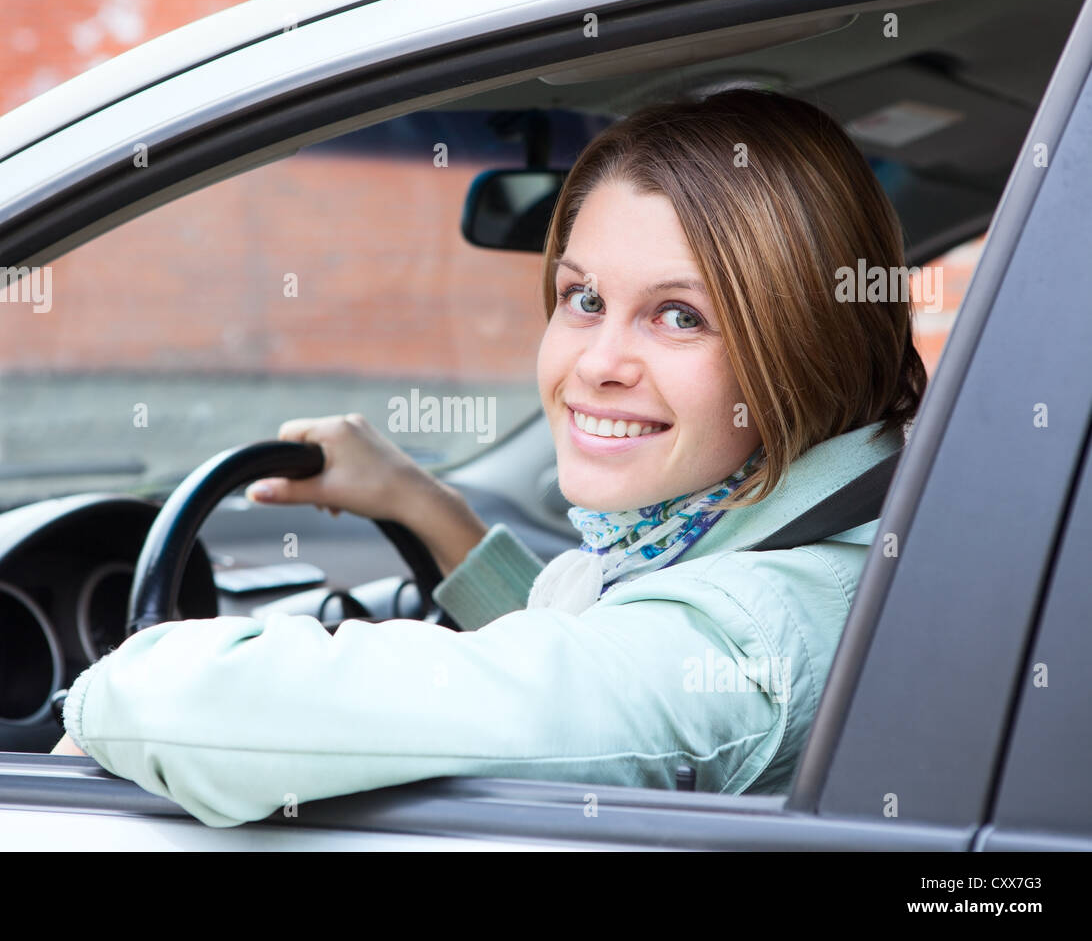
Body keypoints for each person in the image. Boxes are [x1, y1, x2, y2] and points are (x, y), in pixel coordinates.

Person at [52, 88, 925, 828]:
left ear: (809, 343)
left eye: (679, 315)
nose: (596, 364)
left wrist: (107, 698)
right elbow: (584, 660)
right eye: (583, 298)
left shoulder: (745, 640)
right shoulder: (836, 533)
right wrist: (421, 506)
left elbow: (220, 718)